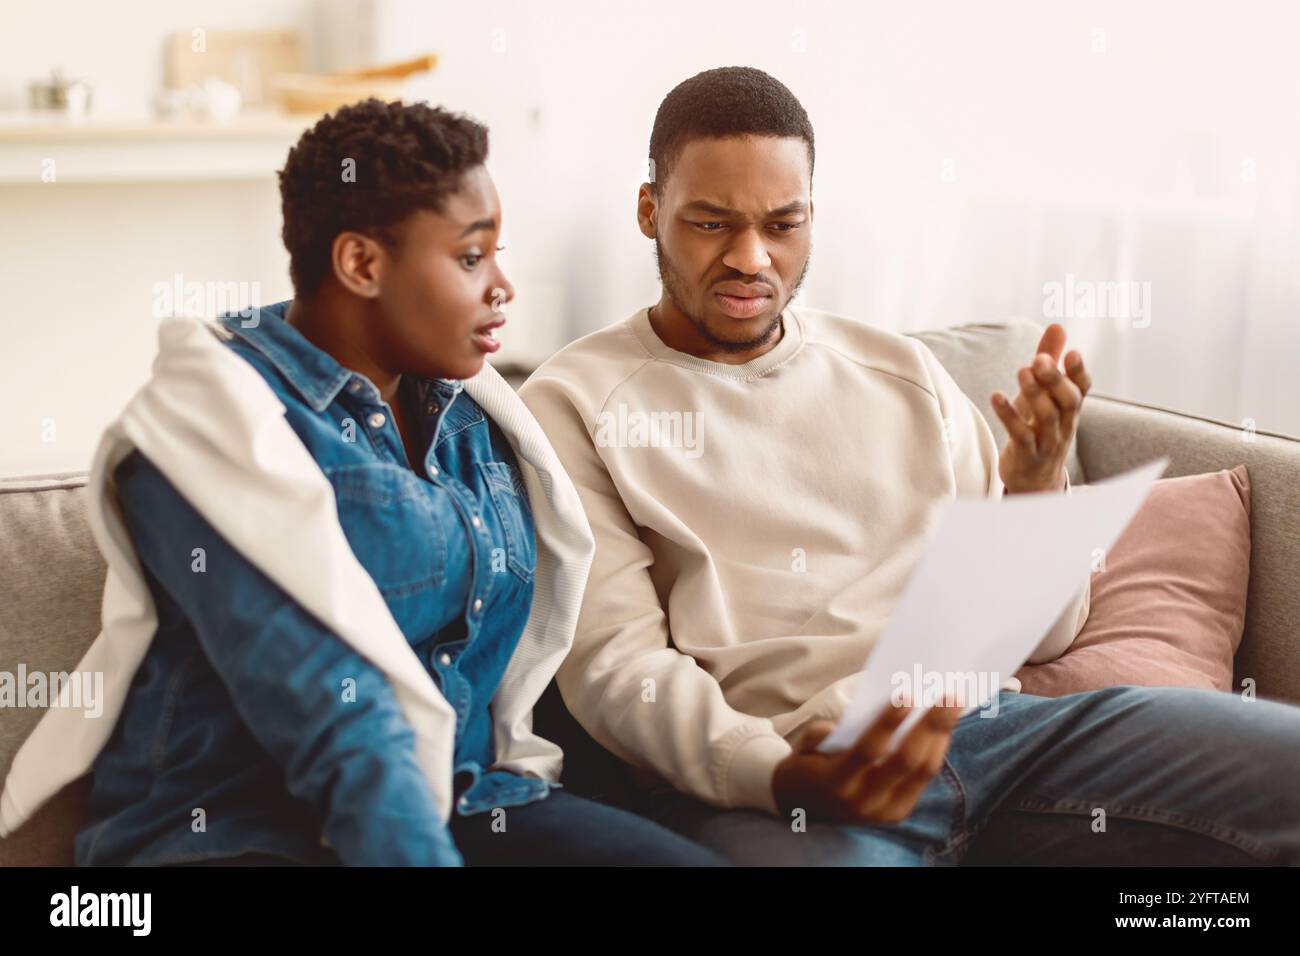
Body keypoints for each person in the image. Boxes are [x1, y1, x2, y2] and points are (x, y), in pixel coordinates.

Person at [517, 67, 1300, 865]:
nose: (751, 258)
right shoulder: (573, 404)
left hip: (1002, 731)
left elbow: (1047, 634)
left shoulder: (903, 375)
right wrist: (784, 774)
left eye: (782, 225)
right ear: (650, 211)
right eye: (712, 224)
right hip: (794, 782)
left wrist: (1032, 491)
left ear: (813, 218)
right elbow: (618, 668)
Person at [60, 99, 724, 866]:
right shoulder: (207, 426)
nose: (503, 285)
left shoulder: (476, 422)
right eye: (471, 258)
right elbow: (335, 710)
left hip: (464, 800)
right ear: (362, 265)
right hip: (239, 833)